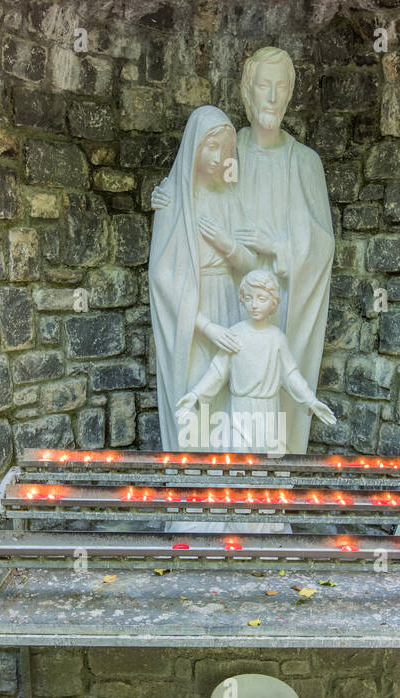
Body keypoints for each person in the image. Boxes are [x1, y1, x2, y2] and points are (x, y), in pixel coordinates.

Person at [154, 47, 334, 454]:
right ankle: (218, 490)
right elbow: (197, 186)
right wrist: (169, 195)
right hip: (223, 299)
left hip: (284, 300)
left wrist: (281, 247)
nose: (272, 96)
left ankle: (263, 496)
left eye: (281, 87)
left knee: (270, 400)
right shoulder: (230, 153)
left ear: (291, 94)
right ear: (247, 91)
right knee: (220, 394)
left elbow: (323, 247)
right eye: (263, 86)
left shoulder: (305, 162)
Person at [148, 105, 256, 452]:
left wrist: (228, 246)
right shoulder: (172, 199)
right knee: (196, 397)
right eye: (211, 146)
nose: (218, 156)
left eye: (225, 150)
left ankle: (225, 486)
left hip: (228, 300)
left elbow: (250, 265)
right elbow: (163, 278)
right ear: (194, 145)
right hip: (193, 315)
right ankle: (195, 488)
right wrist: (206, 326)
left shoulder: (229, 198)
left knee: (227, 397)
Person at [176, 269, 335, 456]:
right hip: (239, 412)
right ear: (242, 299)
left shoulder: (276, 338)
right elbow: (217, 373)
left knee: (268, 465)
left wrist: (311, 401)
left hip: (268, 413)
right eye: (249, 298)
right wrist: (195, 395)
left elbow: (291, 375)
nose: (254, 305)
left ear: (273, 302)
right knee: (239, 461)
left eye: (262, 298)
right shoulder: (235, 335)